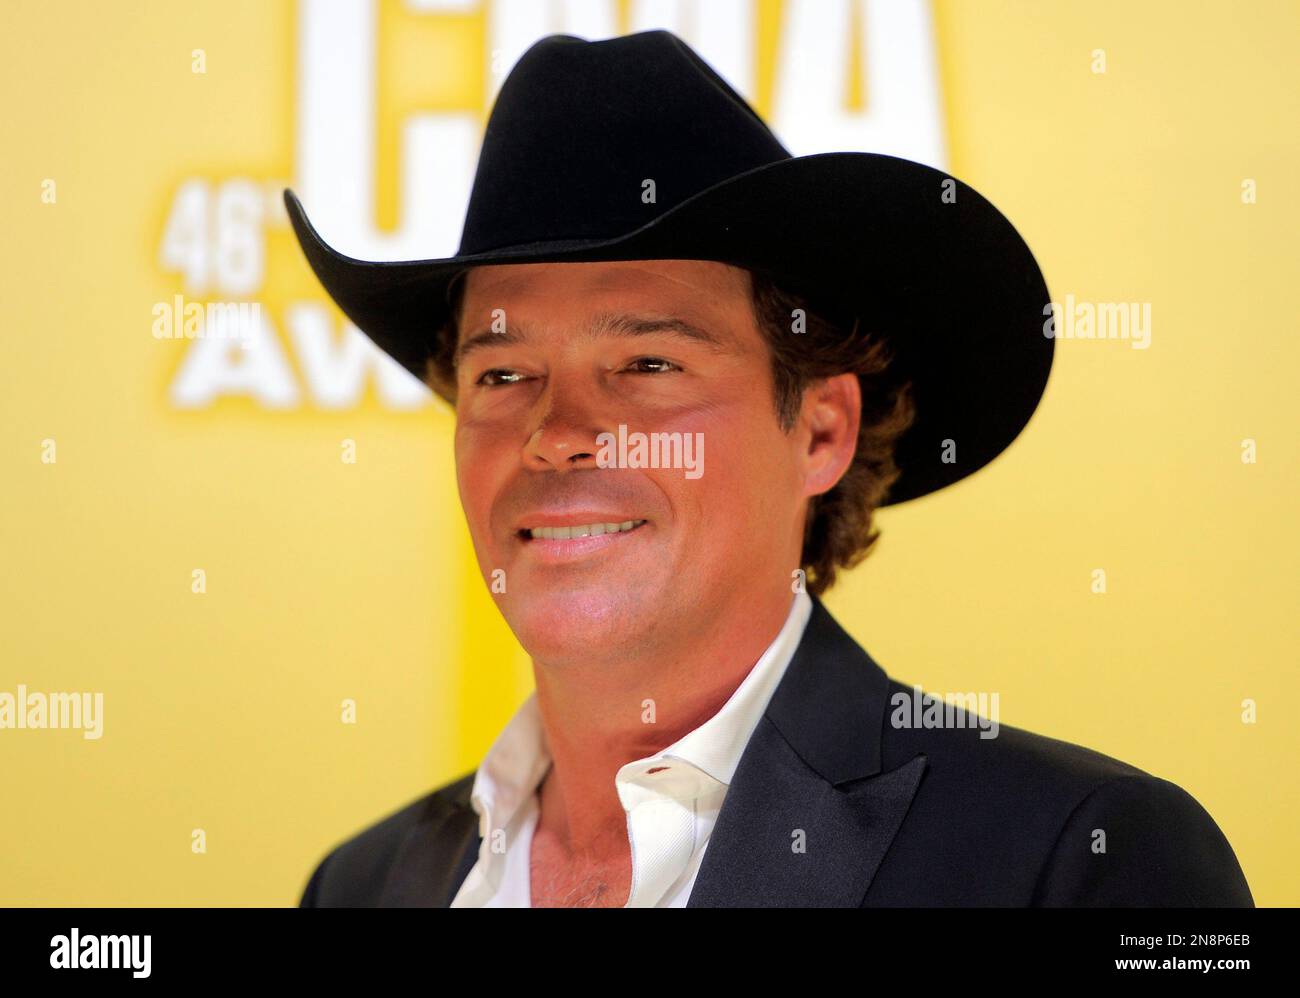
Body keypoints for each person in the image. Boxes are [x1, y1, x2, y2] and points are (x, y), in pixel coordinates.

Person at [285, 30, 1253, 907]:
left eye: (647, 364)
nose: (558, 433)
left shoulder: (1080, 857)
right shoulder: (363, 885)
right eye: (502, 372)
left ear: (821, 431)